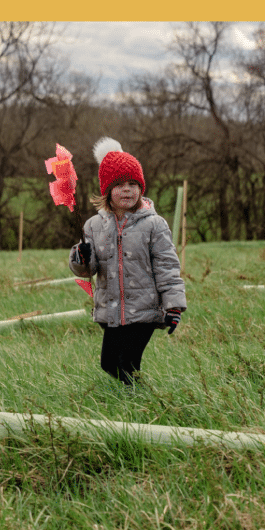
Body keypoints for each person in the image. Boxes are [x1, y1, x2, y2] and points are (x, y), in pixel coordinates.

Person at [68, 138, 187, 385]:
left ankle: (138, 402)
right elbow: (88, 270)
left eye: (133, 184)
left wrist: (173, 306)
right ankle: (138, 395)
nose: (127, 190)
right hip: (110, 311)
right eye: (119, 184)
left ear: (141, 188)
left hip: (144, 311)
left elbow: (167, 267)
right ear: (107, 190)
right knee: (108, 363)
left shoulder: (154, 224)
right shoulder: (93, 226)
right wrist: (80, 258)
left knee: (127, 363)